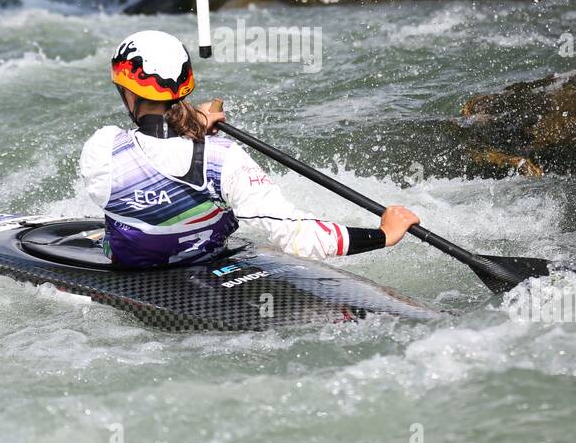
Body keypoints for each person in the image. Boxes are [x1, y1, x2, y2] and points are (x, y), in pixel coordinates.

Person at [80, 30, 420, 268]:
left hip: (131, 273)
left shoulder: (102, 150)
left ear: (128, 91)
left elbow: (154, 142)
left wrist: (190, 123)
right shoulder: (222, 157)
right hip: (207, 265)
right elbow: (298, 238)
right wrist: (384, 234)